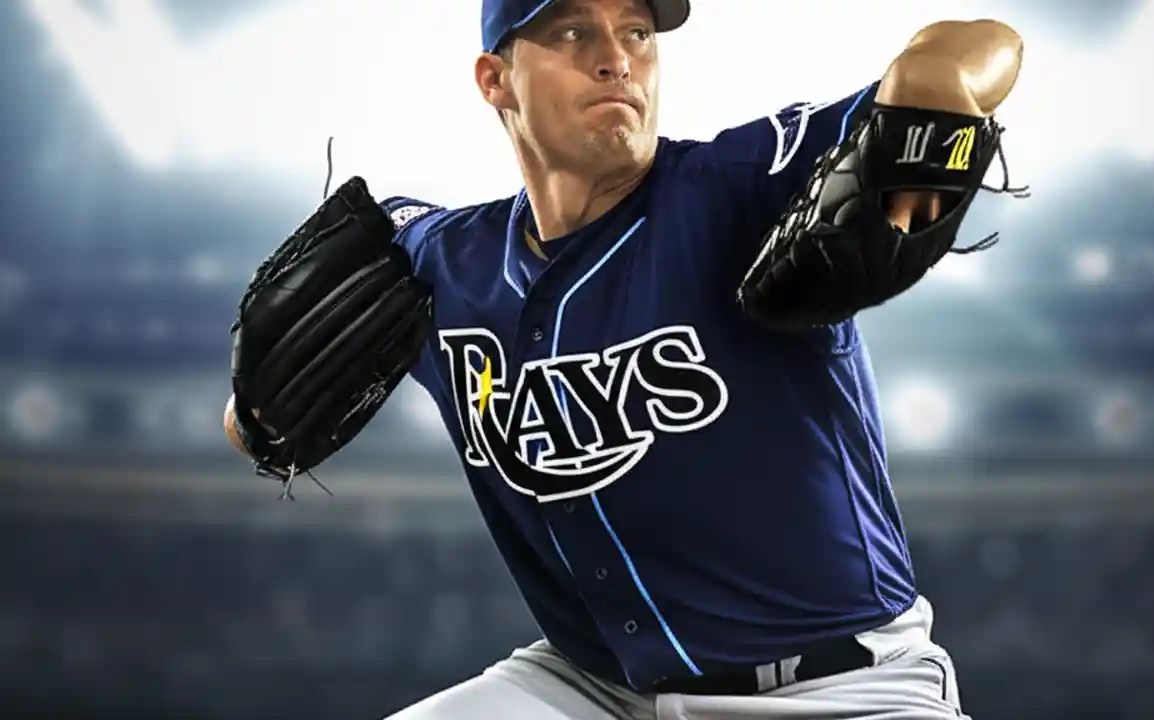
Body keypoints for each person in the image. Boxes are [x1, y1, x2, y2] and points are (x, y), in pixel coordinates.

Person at [226, 0, 1024, 717]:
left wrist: (939, 76)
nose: (616, 58)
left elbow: (984, 46)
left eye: (637, 32)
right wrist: (255, 414)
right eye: (573, 31)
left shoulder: (742, 187)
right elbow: (257, 418)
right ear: (496, 80)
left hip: (843, 689)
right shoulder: (443, 266)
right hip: (593, 687)